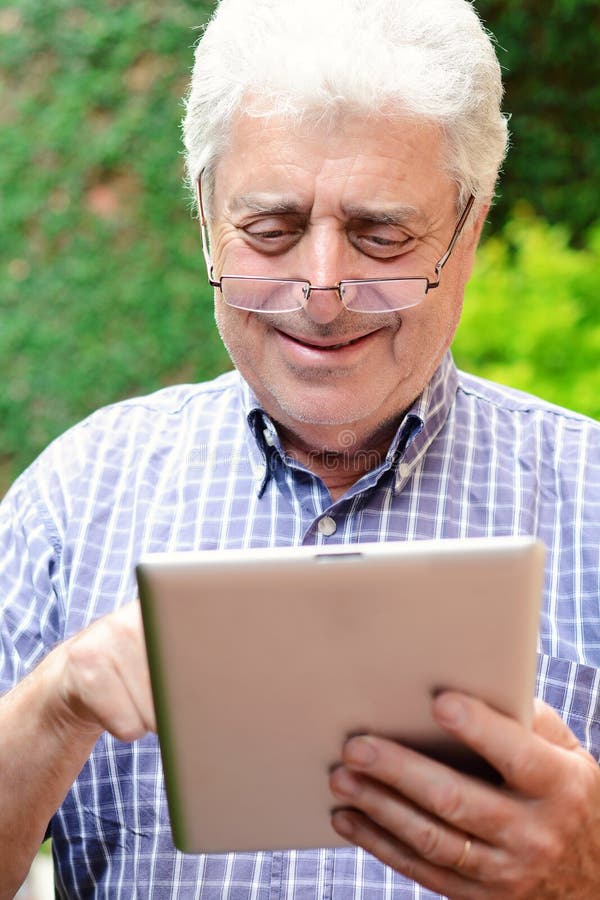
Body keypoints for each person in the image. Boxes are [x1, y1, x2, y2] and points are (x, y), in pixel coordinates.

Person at [1, 0, 600, 896]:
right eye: (272, 230)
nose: (323, 291)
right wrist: (57, 703)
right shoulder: (74, 496)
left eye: (381, 233)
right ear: (207, 219)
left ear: (468, 230)